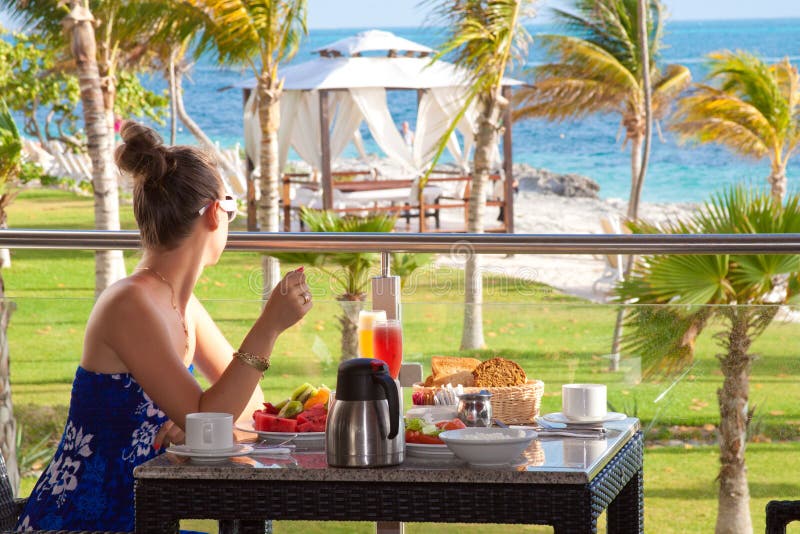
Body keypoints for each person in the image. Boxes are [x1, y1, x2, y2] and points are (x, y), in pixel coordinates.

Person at [17, 122, 313, 532]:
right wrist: (268, 327)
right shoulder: (130, 304)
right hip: (82, 521)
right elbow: (211, 416)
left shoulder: (183, 306)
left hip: (143, 516)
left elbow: (247, 406)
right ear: (214, 213)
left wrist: (194, 426)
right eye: (231, 208)